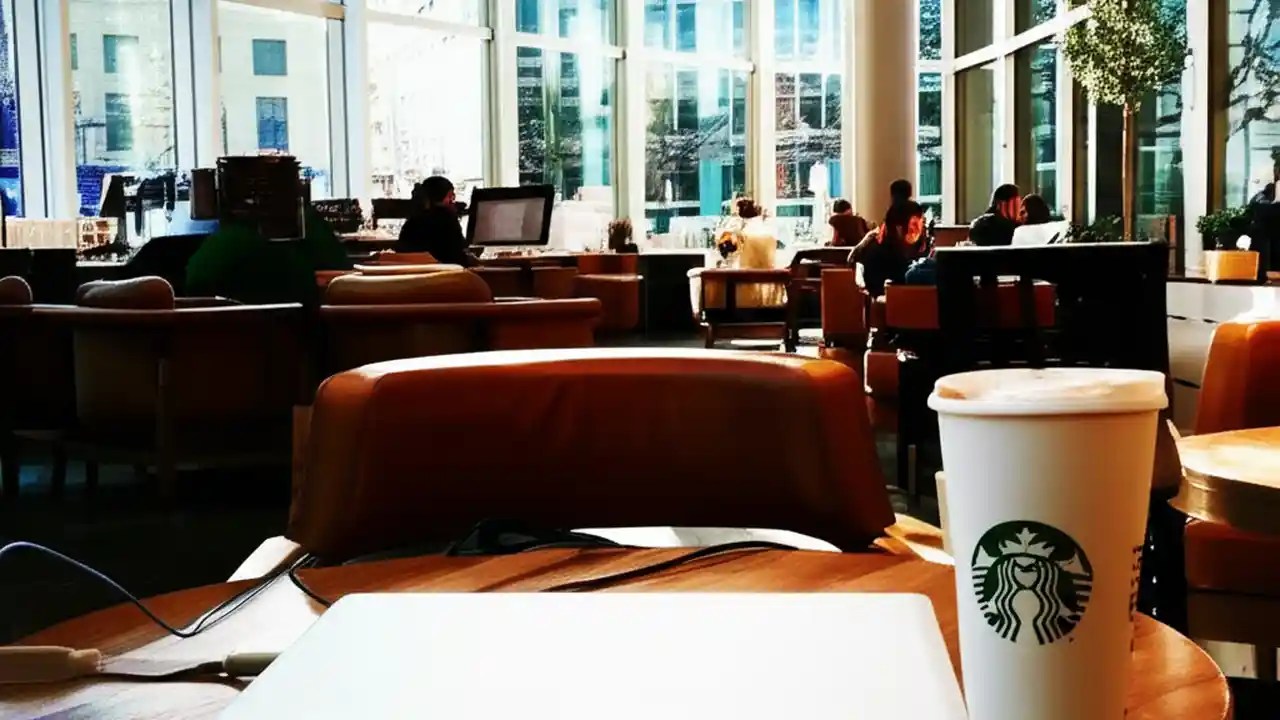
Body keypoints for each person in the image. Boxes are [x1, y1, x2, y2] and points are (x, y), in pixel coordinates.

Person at [395, 176, 477, 267]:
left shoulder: (411, 222)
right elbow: (459, 256)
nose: (453, 201)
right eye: (451, 196)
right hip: (445, 276)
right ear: (448, 197)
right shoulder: (448, 219)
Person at [851, 200, 928, 297]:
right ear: (898, 228)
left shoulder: (920, 249)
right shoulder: (877, 254)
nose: (919, 229)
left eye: (921, 223)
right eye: (914, 224)